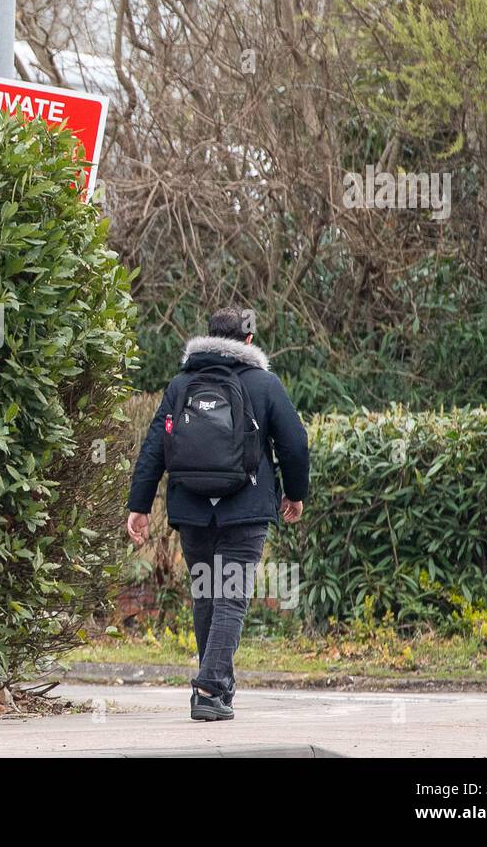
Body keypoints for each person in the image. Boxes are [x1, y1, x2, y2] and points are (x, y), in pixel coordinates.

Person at [126, 307, 310, 721]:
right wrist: (294, 494)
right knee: (230, 597)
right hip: (244, 508)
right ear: (248, 340)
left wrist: (139, 506)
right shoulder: (264, 383)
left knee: (207, 596)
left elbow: (155, 446)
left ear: (208, 337)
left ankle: (215, 686)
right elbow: (295, 444)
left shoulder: (180, 384)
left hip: (191, 508)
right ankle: (210, 689)